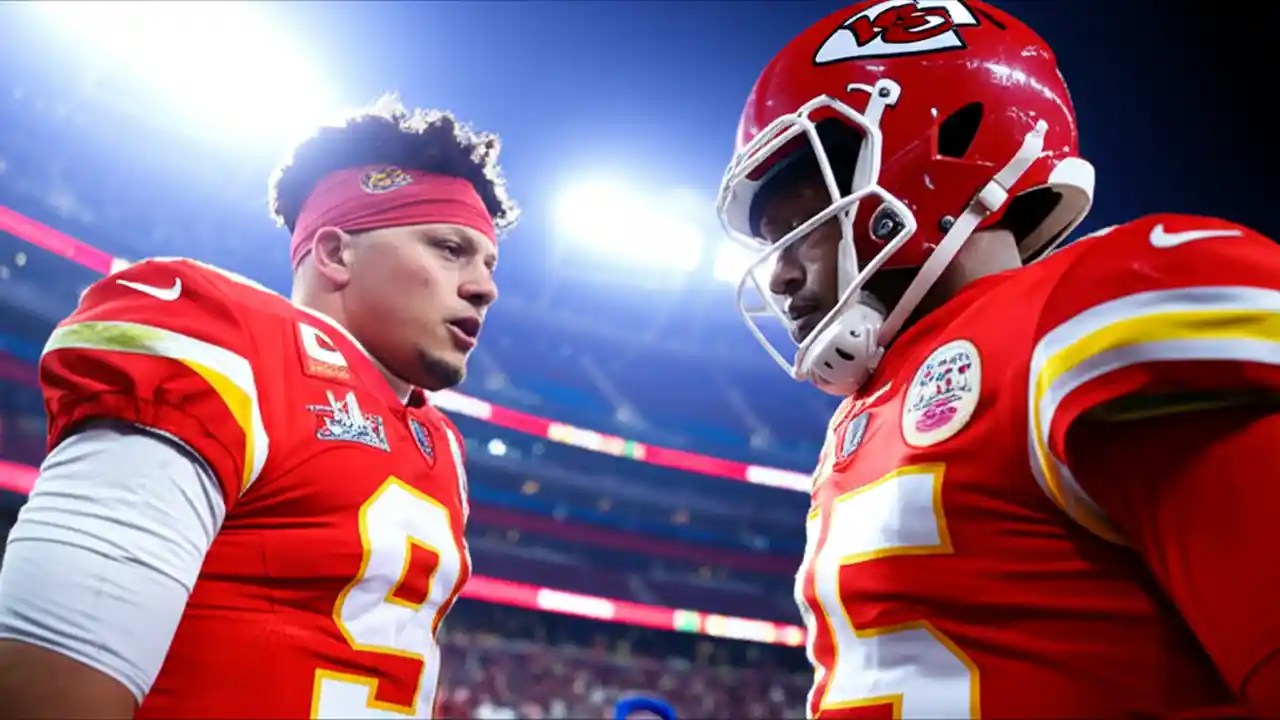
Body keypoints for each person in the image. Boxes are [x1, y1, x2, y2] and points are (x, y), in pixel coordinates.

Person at [715, 1, 1280, 717]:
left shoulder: (1097, 303)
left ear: (940, 147)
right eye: (771, 242)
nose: (781, 274)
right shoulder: (858, 420)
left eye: (801, 224)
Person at [0, 96, 518, 718]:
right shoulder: (224, 338)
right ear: (335, 254)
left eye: (487, 262)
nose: (484, 286)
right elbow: (50, 679)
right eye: (449, 248)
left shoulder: (441, 446)